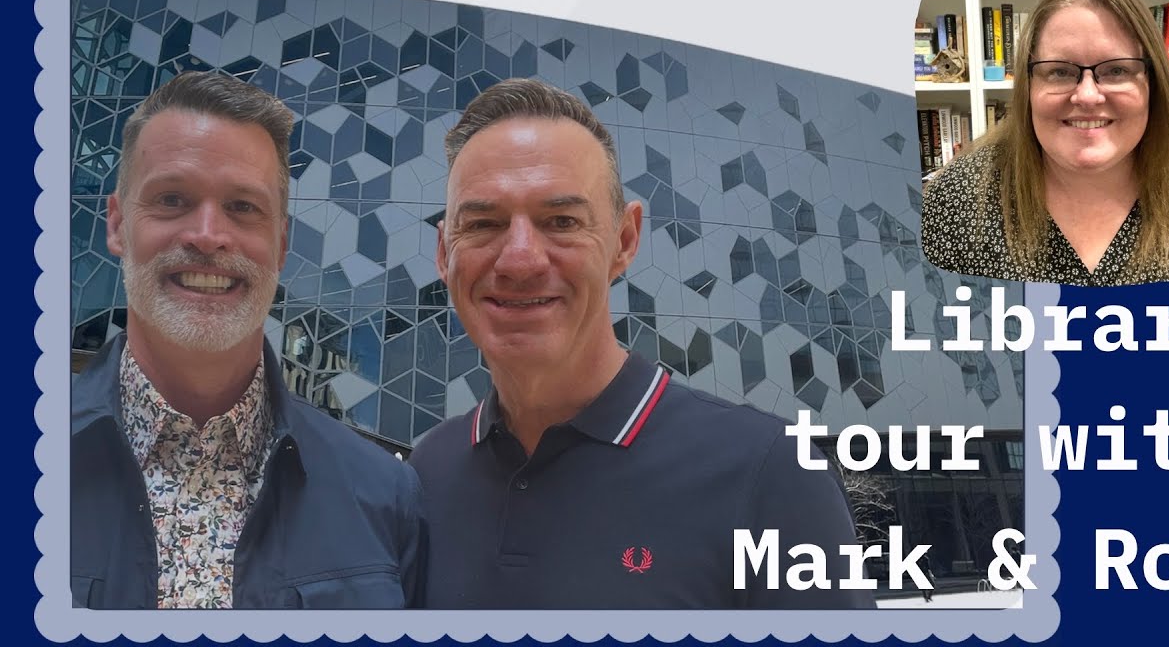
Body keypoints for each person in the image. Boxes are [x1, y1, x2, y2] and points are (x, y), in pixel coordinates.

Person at [408, 78, 876, 609]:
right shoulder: (425, 474)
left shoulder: (769, 473)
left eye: (561, 221)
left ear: (624, 241)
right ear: (445, 253)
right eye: (484, 223)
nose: (519, 260)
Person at [71, 71, 426, 609]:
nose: (208, 235)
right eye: (171, 198)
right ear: (118, 225)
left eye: (243, 207)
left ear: (281, 244)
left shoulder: (386, 496)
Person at [921, 0, 1169, 286]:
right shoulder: (958, 198)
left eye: (1117, 70)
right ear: (1028, 88)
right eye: (1059, 71)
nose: (1087, 96)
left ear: (1153, 84)